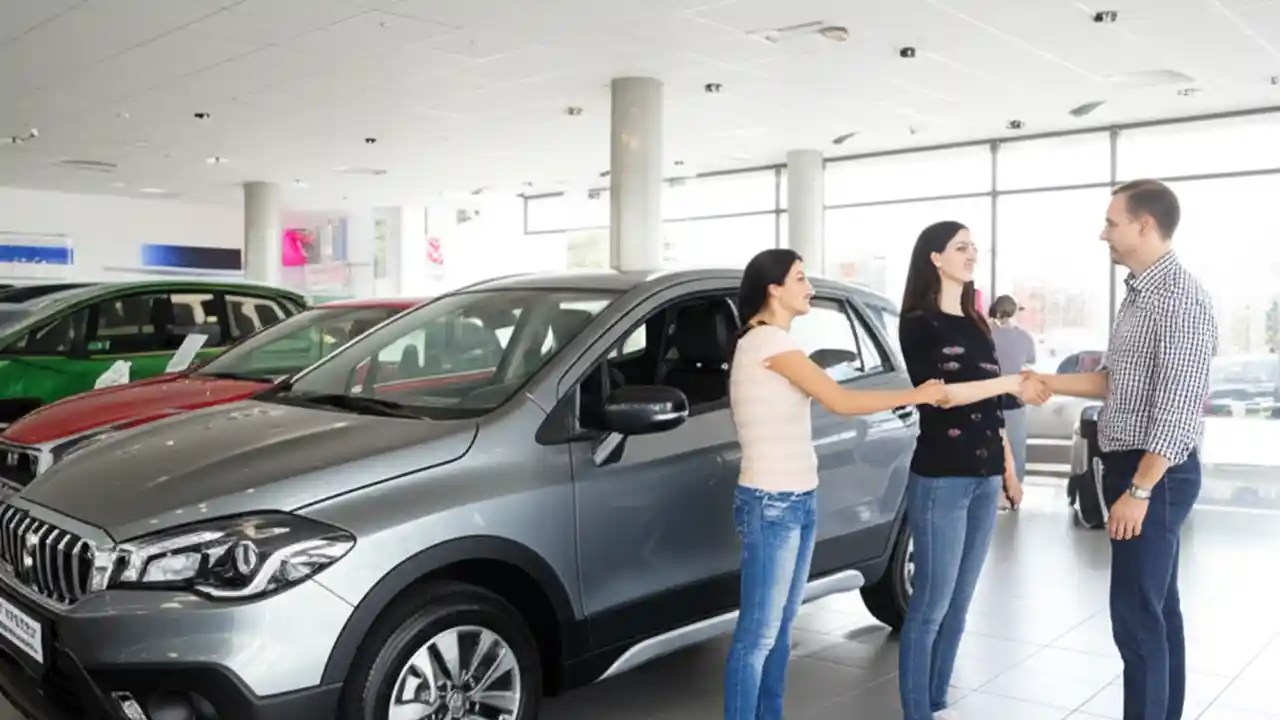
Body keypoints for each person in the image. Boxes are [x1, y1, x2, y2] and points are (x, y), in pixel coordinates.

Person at [723, 248, 949, 720]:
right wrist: (919, 394)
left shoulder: (775, 344)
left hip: (796, 499)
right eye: (800, 278)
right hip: (772, 503)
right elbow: (840, 400)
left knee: (781, 629)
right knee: (759, 635)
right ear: (774, 289)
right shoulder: (766, 344)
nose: (809, 288)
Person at [1027, 179, 1217, 720]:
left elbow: (1178, 407)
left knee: (1135, 620)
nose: (1102, 233)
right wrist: (1046, 380)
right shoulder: (1141, 293)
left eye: (1112, 223)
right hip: (1133, 468)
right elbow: (1118, 382)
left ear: (1145, 225)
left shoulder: (1178, 297)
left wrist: (1139, 488)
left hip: (1152, 473)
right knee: (1157, 612)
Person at [896, 221, 1050, 720]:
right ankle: (916, 712)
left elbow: (992, 411)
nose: (971, 254)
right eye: (961, 247)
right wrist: (1009, 381)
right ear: (935, 258)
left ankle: (937, 704)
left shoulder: (977, 323)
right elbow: (939, 394)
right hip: (942, 478)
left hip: (984, 478)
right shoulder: (918, 323)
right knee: (929, 609)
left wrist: (1008, 471)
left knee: (959, 607)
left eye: (974, 247)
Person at [989, 294, 1037, 506]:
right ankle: (1015, 494)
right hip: (1014, 399)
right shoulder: (1025, 337)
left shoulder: (986, 334)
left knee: (991, 444)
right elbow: (1030, 360)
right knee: (1016, 447)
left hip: (988, 396)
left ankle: (994, 493)